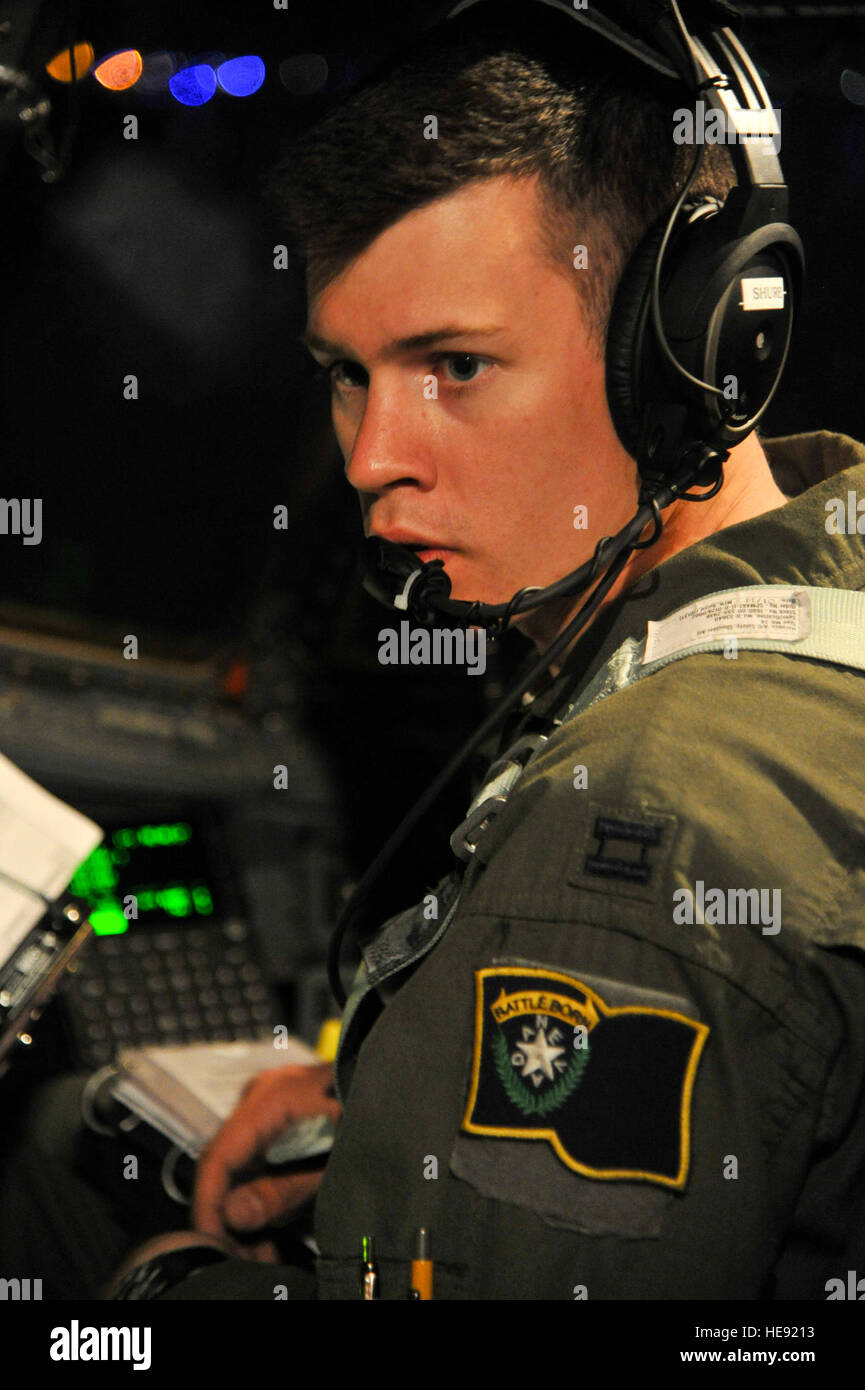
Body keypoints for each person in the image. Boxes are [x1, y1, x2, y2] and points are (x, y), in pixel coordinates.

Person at [5, 0, 865, 1300]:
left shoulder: (638, 827)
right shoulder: (825, 586)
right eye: (347, 372)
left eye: (454, 363)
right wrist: (372, 1104)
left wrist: (164, 1289)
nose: (367, 457)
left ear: (692, 350)